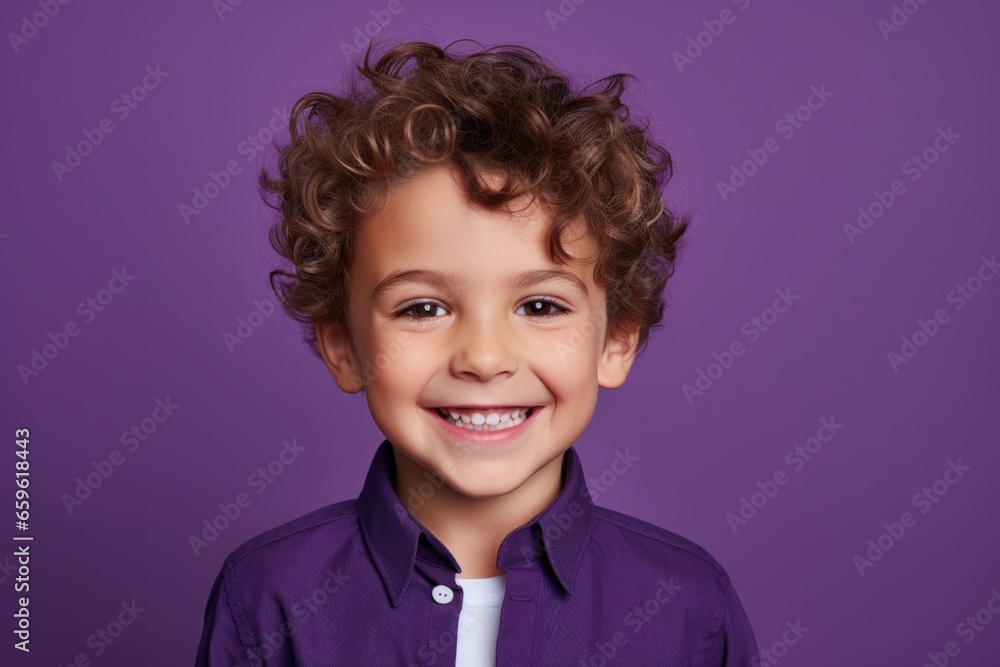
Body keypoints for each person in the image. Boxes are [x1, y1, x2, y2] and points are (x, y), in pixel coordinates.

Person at [196, 37, 758, 666]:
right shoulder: (269, 595)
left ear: (618, 339)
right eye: (423, 308)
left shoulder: (686, 606)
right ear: (343, 345)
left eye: (541, 306)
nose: (485, 359)